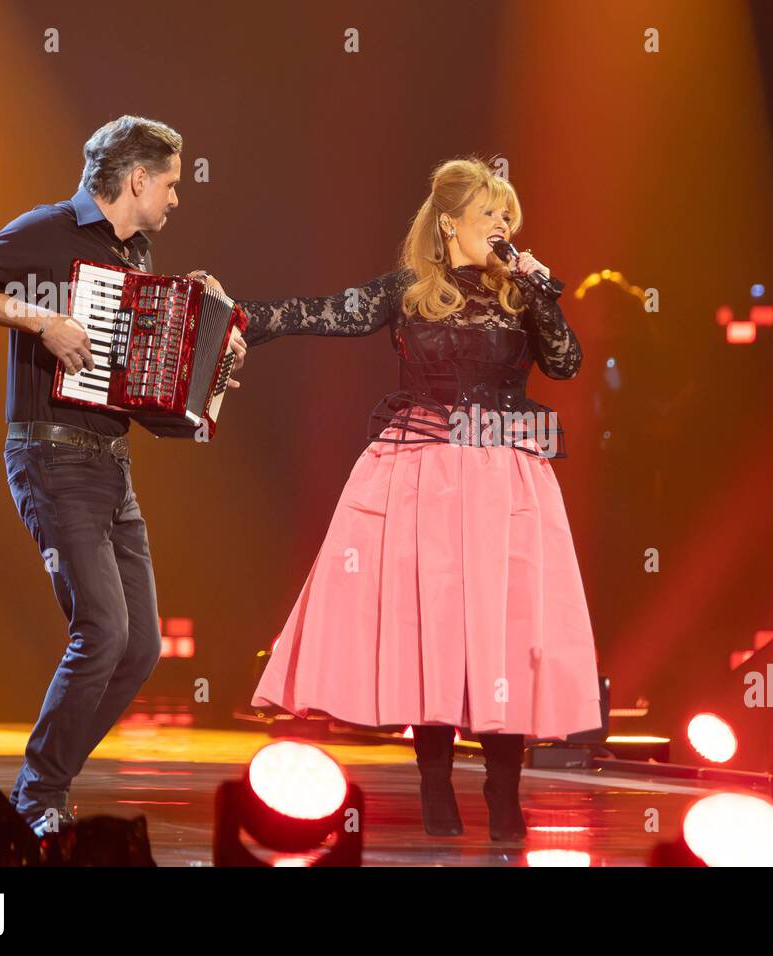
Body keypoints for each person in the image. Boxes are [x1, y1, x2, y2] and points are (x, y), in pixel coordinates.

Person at [242, 157, 603, 841]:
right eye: (490, 215)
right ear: (449, 224)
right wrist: (240, 315)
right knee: (432, 628)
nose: (503, 227)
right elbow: (326, 313)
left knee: (503, 629)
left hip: (505, 473)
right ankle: (434, 787)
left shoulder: (521, 294)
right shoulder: (408, 289)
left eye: (508, 217)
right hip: (423, 471)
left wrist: (541, 290)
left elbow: (565, 363)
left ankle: (504, 790)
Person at [0, 115, 247, 836]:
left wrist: (201, 327)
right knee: (102, 628)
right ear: (137, 179)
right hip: (51, 456)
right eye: (169, 184)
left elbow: (149, 387)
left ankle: (45, 786)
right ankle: (37, 798)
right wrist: (40, 321)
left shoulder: (137, 254)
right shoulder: (47, 229)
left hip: (110, 465)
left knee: (139, 647)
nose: (175, 198)